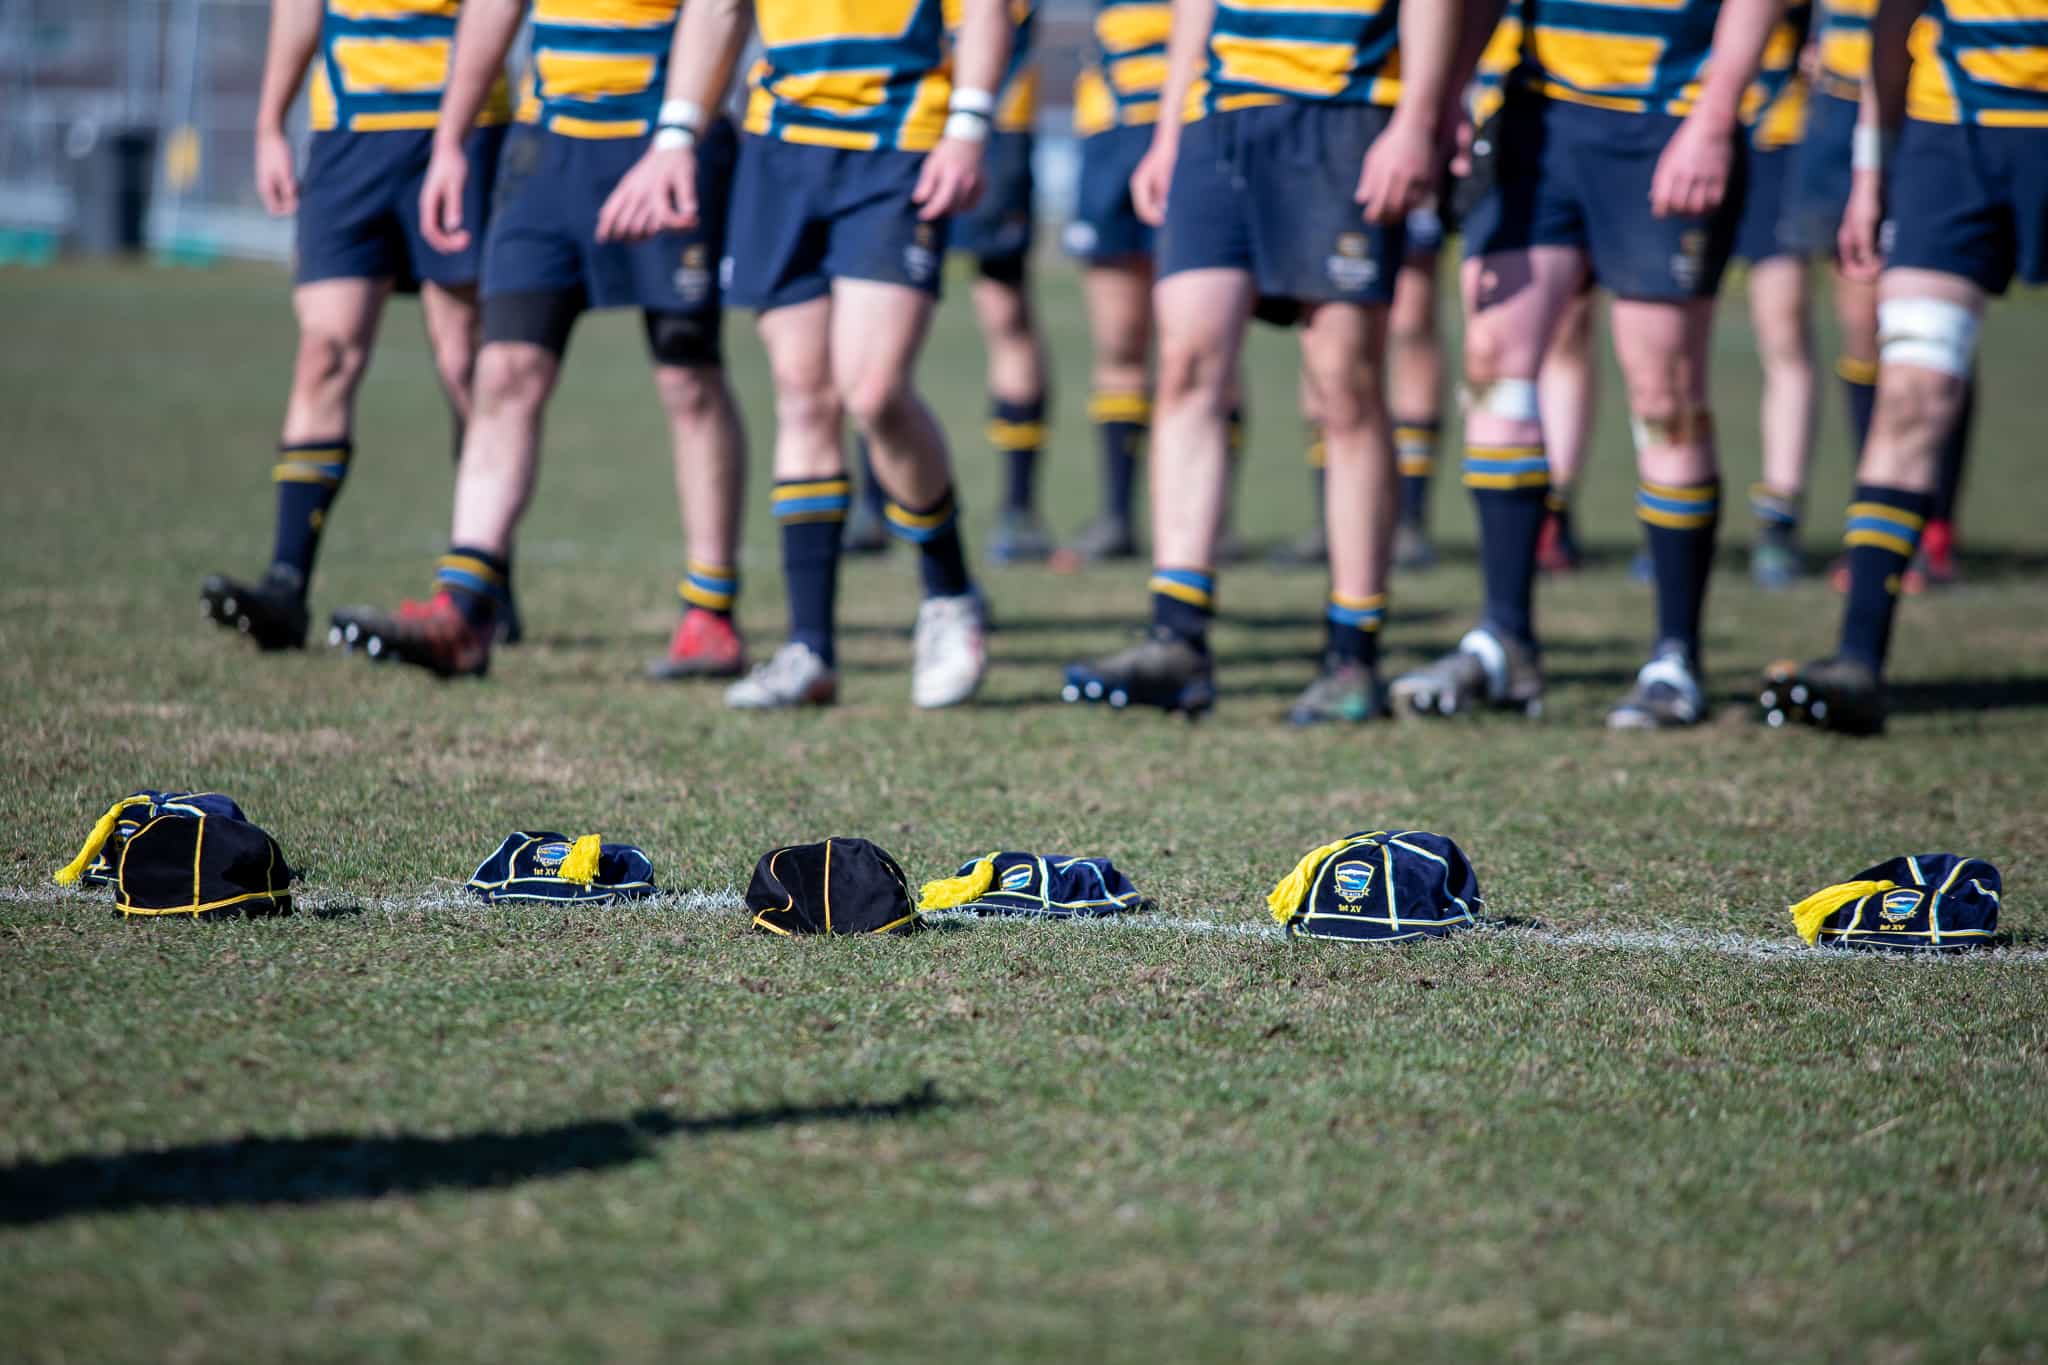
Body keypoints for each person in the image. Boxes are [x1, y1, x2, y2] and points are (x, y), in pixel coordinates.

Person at [327, 0, 750, 681]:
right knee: (504, 371)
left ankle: (710, 613)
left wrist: (678, 136)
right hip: (546, 153)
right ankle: (464, 609)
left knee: (688, 378)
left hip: (665, 138)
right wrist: (449, 142)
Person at [1061, 0, 1458, 721]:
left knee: (1345, 385)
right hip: (1220, 117)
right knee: (1184, 365)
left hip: (1347, 112)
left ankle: (1352, 653)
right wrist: (1172, 128)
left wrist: (1418, 120)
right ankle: (1177, 640)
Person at [610, 0, 1012, 709]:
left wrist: (970, 127)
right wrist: (675, 136)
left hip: (900, 141)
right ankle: (810, 650)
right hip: (780, 150)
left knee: (874, 388)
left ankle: (949, 594)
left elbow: (983, 11)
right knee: (801, 392)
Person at [1390, 0, 1780, 728]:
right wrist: (1445, 100)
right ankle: (1505, 638)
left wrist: (1716, 120)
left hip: (1669, 117)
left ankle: (1675, 656)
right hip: (1540, 119)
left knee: (1665, 386)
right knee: (1493, 356)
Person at [1759, 0, 2047, 735]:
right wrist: (1872, 170)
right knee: (1911, 391)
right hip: (1950, 138)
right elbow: (1891, 23)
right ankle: (1858, 660)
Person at [202, 0, 510, 652]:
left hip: (461, 122)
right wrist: (268, 124)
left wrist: (454, 135)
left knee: (465, 360)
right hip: (350, 132)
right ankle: (286, 583)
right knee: (324, 351)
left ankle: (481, 581)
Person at [1055, 0, 1172, 566]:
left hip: (1196, 122)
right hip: (1110, 132)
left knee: (1200, 339)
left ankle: (1212, 523)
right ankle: (1117, 517)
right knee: (1119, 339)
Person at [946, 0, 1056, 564]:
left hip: (995, 127)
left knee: (1004, 311)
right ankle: (876, 501)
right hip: (895, 122)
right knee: (877, 310)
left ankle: (1019, 508)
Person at [1734, 3, 1822, 590]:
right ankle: (1663, 515)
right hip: (1670, 122)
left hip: (1777, 136)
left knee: (1783, 325)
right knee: (1663, 344)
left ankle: (1778, 518)